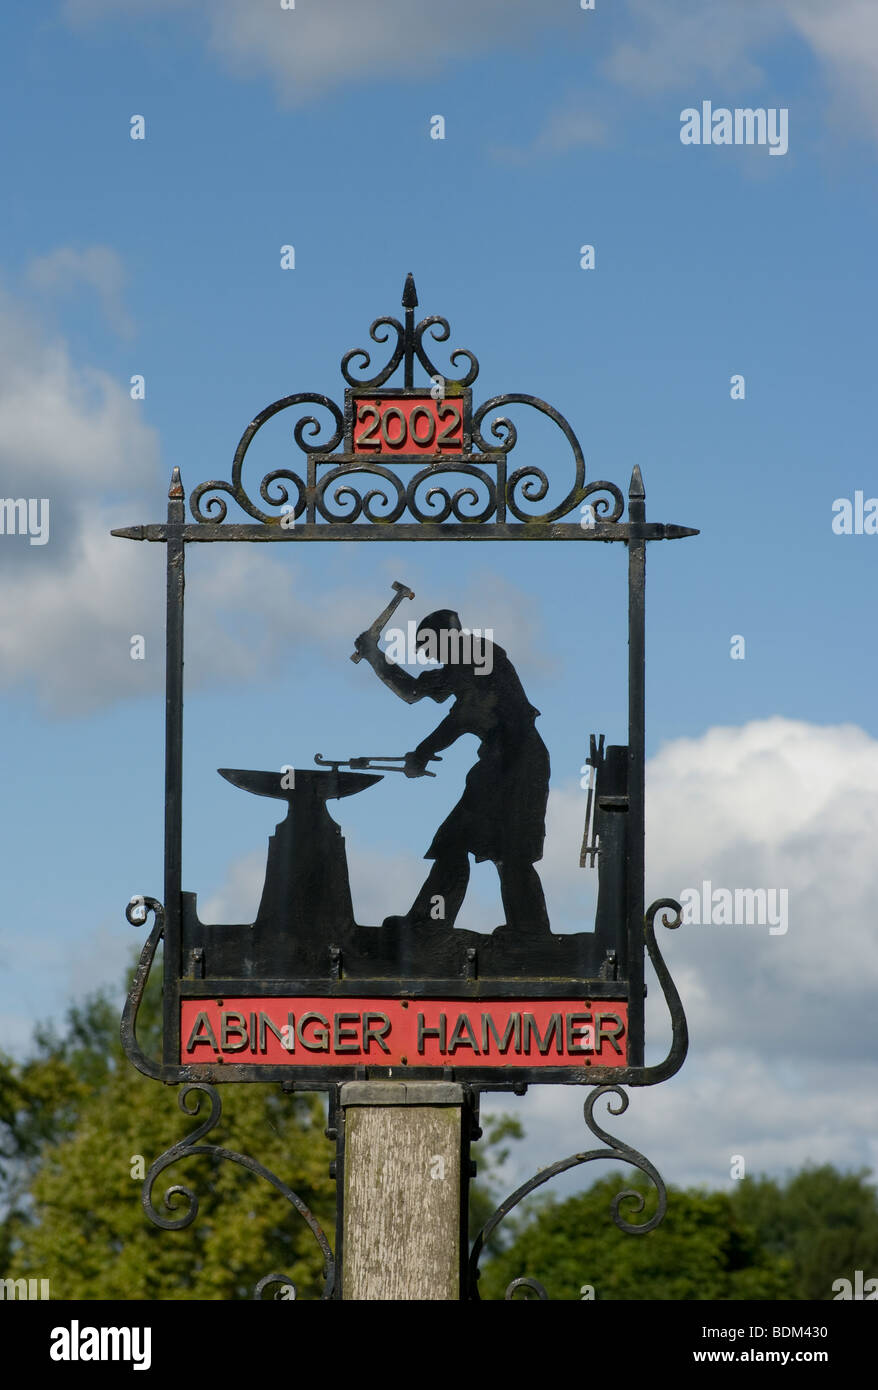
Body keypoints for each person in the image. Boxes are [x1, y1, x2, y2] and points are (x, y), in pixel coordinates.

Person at [354, 609, 550, 937]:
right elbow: (416, 691)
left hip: (513, 764)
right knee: (499, 850)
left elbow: (461, 716)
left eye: (428, 647)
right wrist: (376, 657)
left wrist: (423, 752)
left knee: (476, 845)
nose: (427, 654)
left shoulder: (477, 656)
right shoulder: (468, 660)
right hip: (509, 762)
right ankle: (527, 930)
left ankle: (433, 925)